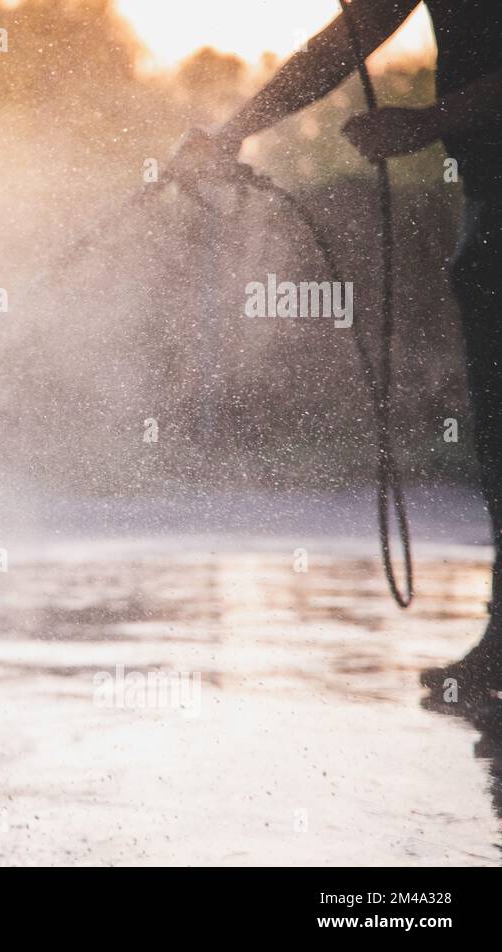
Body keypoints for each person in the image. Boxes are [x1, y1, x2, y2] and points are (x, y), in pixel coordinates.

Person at [172, 0, 502, 696]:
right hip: (488, 202)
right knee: (497, 429)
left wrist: (429, 122)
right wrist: (236, 131)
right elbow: (349, 36)